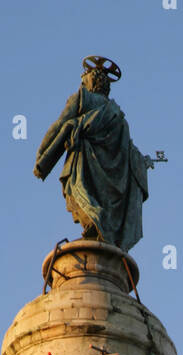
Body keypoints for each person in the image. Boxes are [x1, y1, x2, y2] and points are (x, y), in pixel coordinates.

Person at [34, 58, 155, 252]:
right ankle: (100, 225)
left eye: (84, 80)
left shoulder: (82, 99)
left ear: (90, 81)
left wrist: (42, 153)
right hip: (111, 179)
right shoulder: (118, 116)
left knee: (78, 194)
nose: (82, 84)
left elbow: (58, 125)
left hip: (82, 164)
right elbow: (127, 151)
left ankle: (95, 222)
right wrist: (141, 162)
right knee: (85, 199)